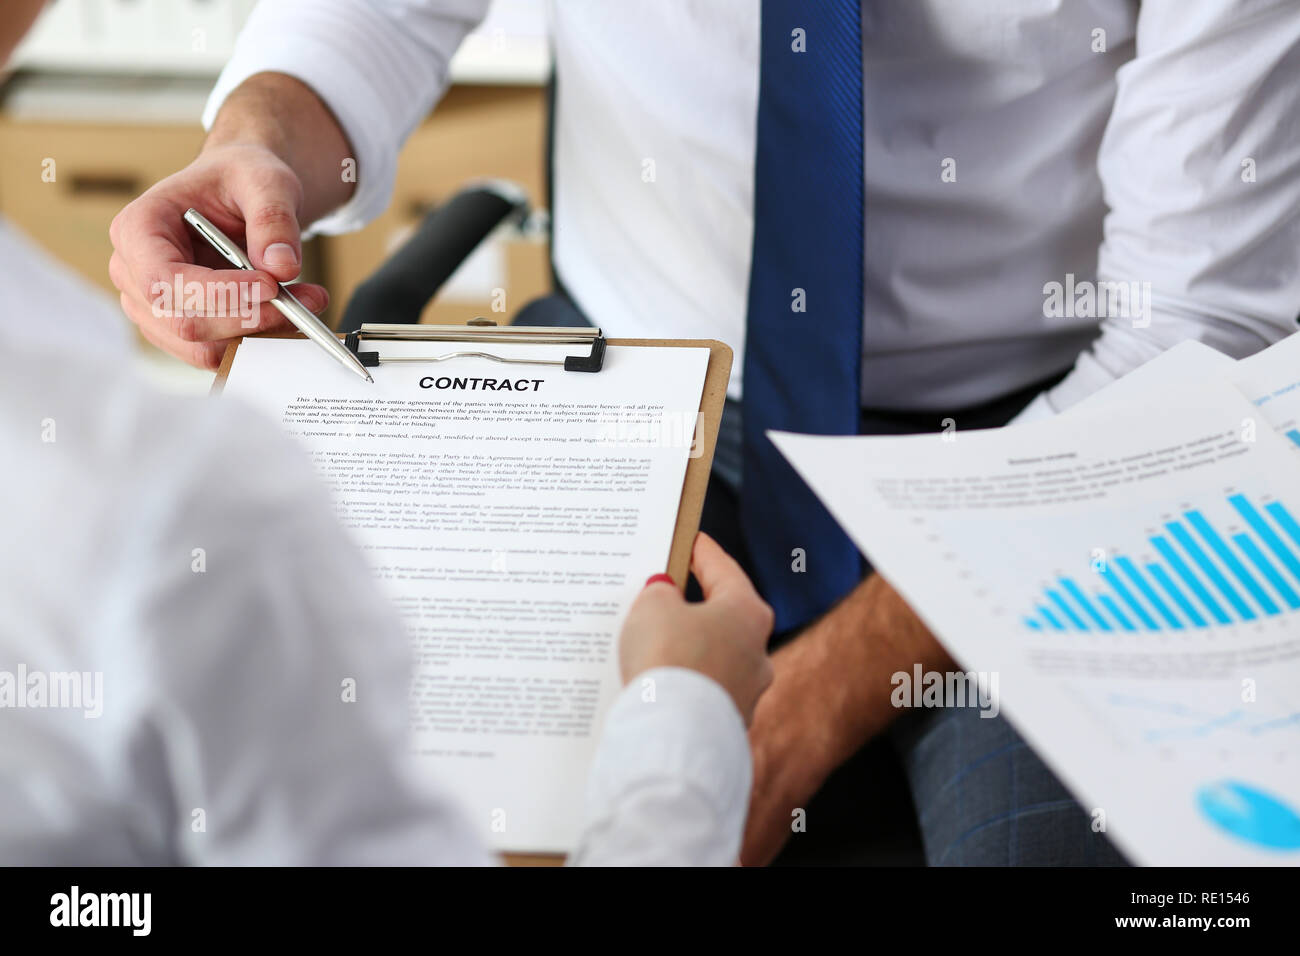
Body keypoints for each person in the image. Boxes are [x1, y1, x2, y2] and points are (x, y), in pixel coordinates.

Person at [108, 0, 1300, 865]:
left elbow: (1195, 328)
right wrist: (260, 140)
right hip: (647, 387)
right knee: (422, 800)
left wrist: (814, 701)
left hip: (1050, 440)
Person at [0, 1, 775, 869]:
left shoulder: (130, 476)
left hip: (922, 417)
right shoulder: (170, 500)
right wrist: (685, 728)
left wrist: (250, 146)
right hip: (645, 345)